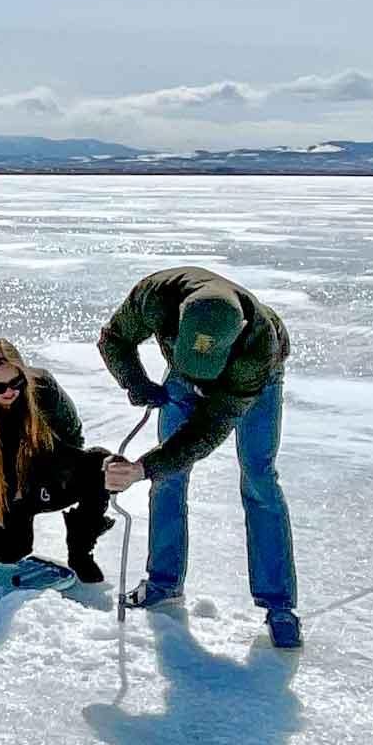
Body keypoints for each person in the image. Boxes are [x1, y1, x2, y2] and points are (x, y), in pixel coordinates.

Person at [96, 266, 299, 648]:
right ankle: (163, 581)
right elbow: (114, 339)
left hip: (253, 383)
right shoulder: (155, 298)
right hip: (181, 367)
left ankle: (279, 605)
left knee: (258, 476)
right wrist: (136, 382)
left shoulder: (256, 348)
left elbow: (207, 430)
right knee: (169, 478)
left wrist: (142, 468)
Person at [0, 339, 116, 583]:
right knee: (9, 554)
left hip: (47, 476)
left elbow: (73, 435)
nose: (9, 391)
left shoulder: (44, 387)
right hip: (7, 491)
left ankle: (81, 544)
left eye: (15, 382)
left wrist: (56, 473)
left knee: (103, 464)